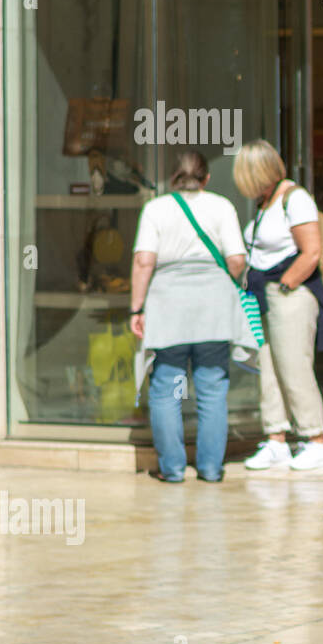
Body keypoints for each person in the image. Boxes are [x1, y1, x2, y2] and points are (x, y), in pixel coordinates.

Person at [130, 150, 255, 482]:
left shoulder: (155, 209)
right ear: (206, 178)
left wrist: (137, 308)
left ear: (172, 177)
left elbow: (144, 261)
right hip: (213, 307)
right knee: (212, 388)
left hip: (168, 307)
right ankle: (211, 468)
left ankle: (172, 469)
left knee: (167, 388)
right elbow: (238, 259)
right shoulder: (222, 206)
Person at [233, 139, 323, 471]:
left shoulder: (296, 198)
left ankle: (314, 439)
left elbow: (312, 250)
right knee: (270, 368)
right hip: (266, 294)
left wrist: (286, 284)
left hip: (289, 293)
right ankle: (276, 438)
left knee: (294, 367)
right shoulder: (266, 202)